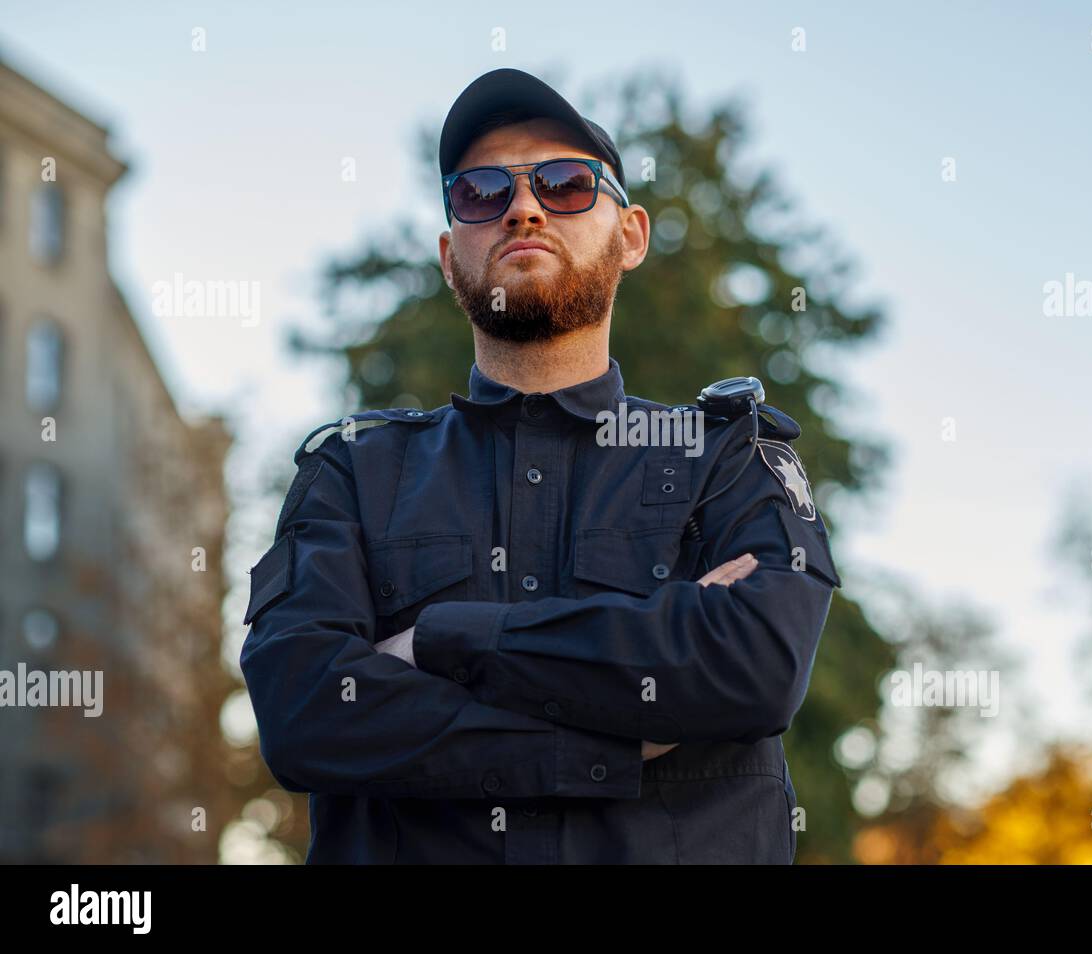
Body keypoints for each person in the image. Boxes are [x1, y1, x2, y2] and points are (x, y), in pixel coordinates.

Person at [239, 67, 842, 864]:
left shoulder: (724, 456)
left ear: (629, 234)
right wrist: (617, 745)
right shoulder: (354, 471)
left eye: (562, 183)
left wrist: (436, 643)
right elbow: (305, 712)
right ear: (452, 255)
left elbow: (754, 666)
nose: (522, 207)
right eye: (483, 192)